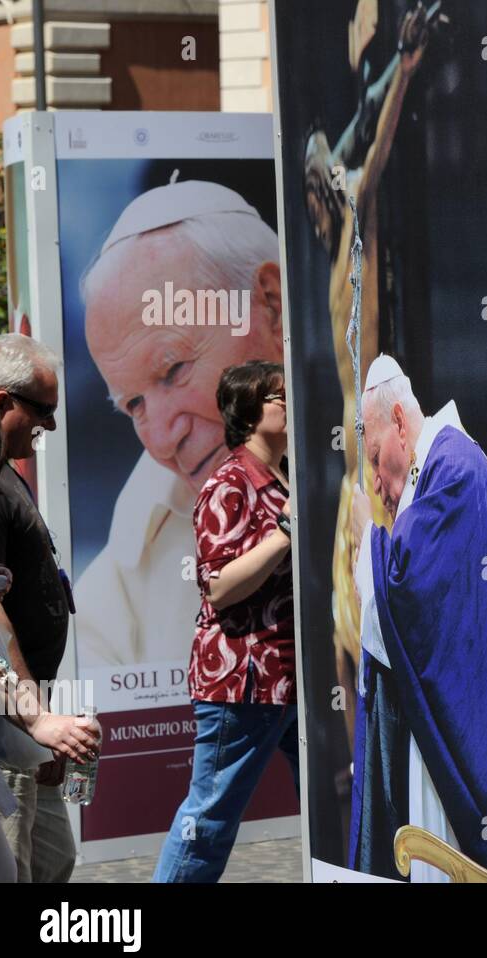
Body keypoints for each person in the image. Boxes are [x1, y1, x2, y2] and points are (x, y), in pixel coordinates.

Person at [347, 355, 487, 883]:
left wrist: (370, 541)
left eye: (375, 455)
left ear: (401, 426)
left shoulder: (451, 472)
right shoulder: (444, 467)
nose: (379, 483)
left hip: (465, 738)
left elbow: (409, 604)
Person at [77, 180, 285, 671]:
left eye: (174, 370)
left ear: (271, 305)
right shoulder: (119, 589)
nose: (164, 440)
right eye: (133, 405)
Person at [307, 1, 434, 750]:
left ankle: (378, 765)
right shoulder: (335, 256)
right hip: (358, 479)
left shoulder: (355, 225)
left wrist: (405, 72)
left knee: (365, 632)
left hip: (371, 480)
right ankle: (362, 770)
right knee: (342, 636)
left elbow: (377, 156)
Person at [153, 362, 298, 882]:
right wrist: (285, 536)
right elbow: (218, 585)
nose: (289, 401)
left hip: (286, 678)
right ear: (250, 413)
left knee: (337, 799)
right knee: (208, 820)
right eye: (278, 396)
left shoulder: (282, 477)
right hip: (244, 680)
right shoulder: (228, 482)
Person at [0, 334, 91, 882]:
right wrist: (34, 716)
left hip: (27, 715)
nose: (49, 427)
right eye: (43, 411)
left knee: (54, 861)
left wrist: (43, 719)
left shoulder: (4, 474)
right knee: (13, 870)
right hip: (5, 721)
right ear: (3, 403)